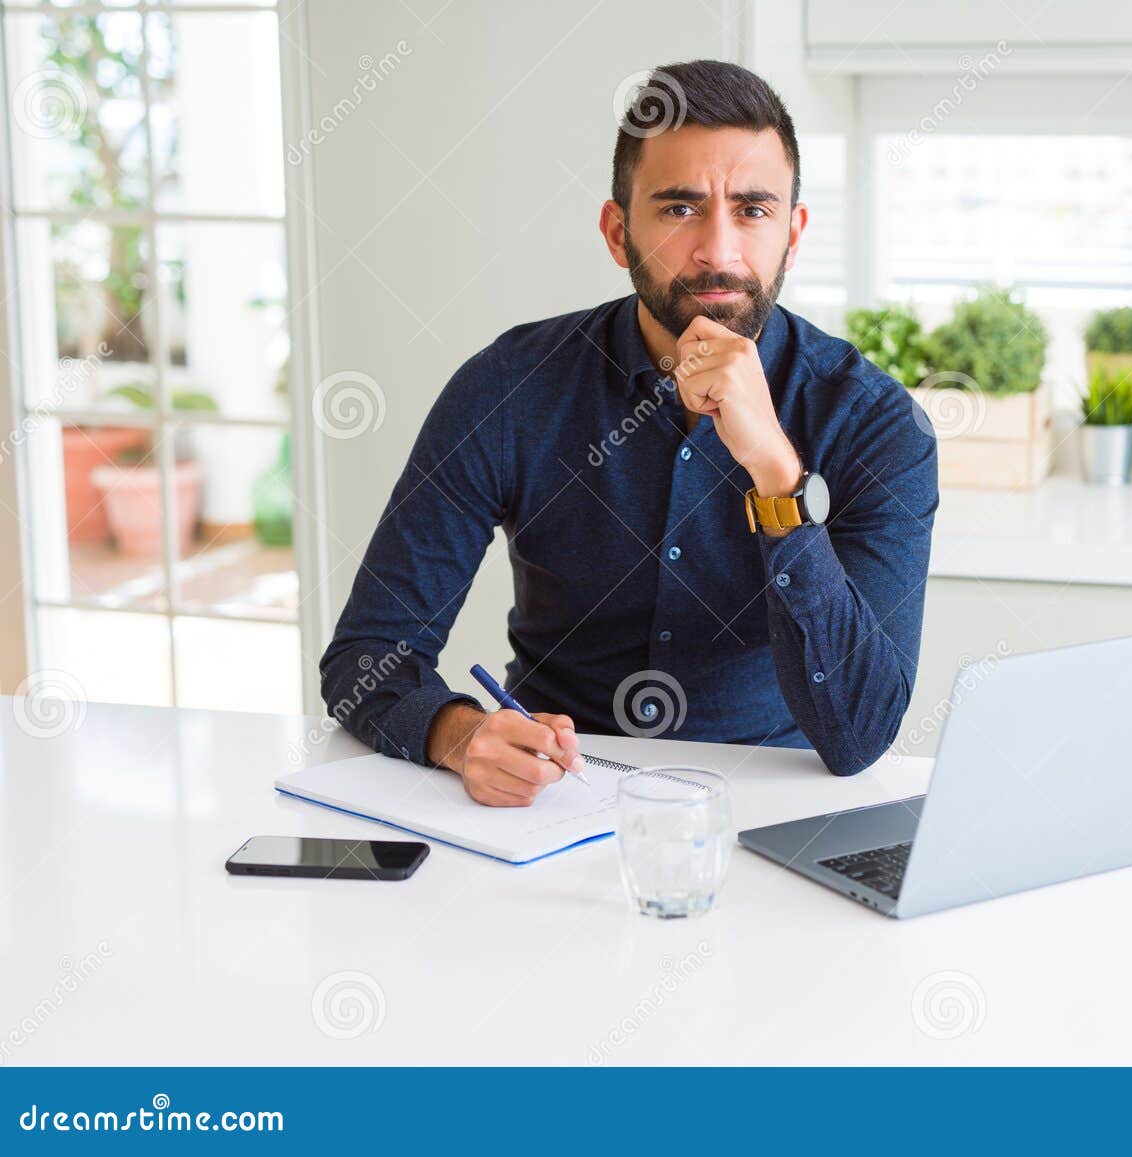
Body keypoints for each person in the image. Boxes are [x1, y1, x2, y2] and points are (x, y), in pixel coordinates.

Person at [320, 59, 938, 806]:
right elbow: (367, 653)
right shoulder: (509, 387)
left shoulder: (876, 423)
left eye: (752, 209)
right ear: (619, 232)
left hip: (774, 809)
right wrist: (460, 735)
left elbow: (861, 734)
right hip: (552, 800)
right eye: (679, 209)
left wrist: (777, 474)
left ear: (793, 233)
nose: (719, 250)